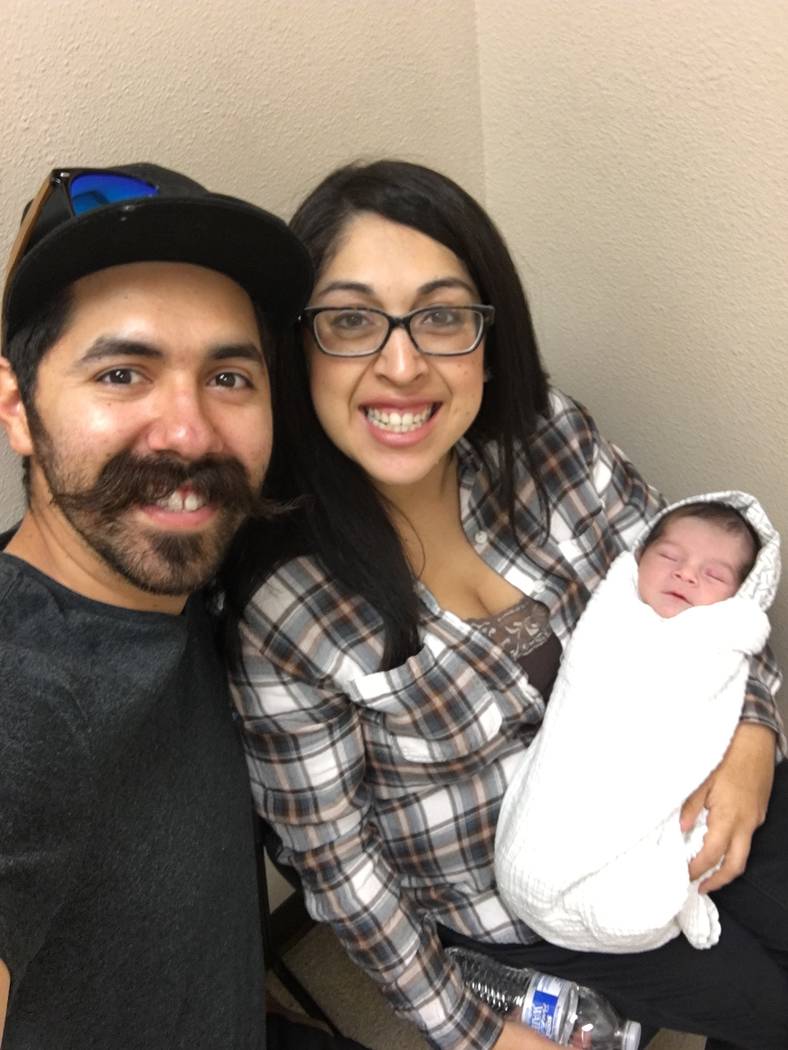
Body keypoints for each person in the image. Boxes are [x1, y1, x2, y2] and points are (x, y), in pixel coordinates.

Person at [226, 160, 788, 1050]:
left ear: (490, 337)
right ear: (297, 346)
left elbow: (705, 589)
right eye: (350, 321)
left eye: (443, 317)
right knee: (764, 999)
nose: (401, 364)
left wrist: (755, 734)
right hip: (525, 904)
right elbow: (339, 865)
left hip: (669, 781)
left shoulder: (547, 439)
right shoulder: (289, 614)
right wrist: (476, 1032)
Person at [0, 163, 368, 1050]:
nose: (190, 430)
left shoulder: (184, 576)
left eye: (230, 378)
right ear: (17, 408)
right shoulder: (26, 708)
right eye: (123, 373)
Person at [496, 495, 780, 954]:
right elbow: (581, 698)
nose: (685, 574)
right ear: (639, 557)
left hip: (663, 796)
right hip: (575, 773)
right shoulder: (614, 613)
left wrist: (757, 734)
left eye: (714, 575)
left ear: (739, 599)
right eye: (669, 556)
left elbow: (722, 687)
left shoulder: (718, 641)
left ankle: (670, 887)